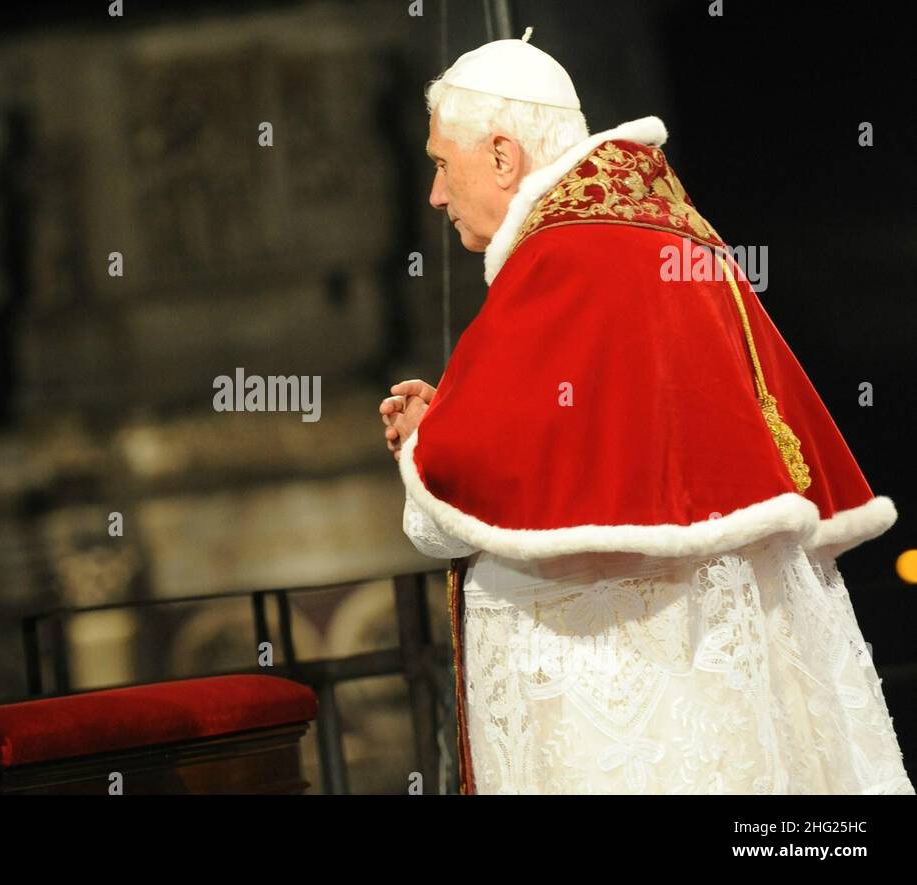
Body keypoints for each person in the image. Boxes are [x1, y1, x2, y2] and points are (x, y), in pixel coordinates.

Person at [378, 29, 914, 794]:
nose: (435, 194)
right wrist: (463, 410)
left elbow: (466, 489)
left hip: (614, 685)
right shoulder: (667, 230)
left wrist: (424, 441)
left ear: (501, 156)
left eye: (441, 163)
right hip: (713, 677)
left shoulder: (561, 262)